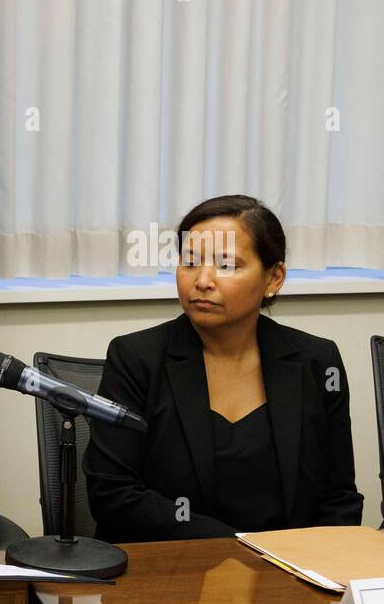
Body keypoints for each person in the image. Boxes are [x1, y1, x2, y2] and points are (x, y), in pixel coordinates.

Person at [84, 194, 362, 542]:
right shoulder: (136, 358)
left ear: (273, 278)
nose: (202, 280)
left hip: (292, 573)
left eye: (226, 265)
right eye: (190, 262)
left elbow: (339, 496)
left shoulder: (317, 361)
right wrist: (238, 550)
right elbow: (113, 494)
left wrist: (317, 567)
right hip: (175, 570)